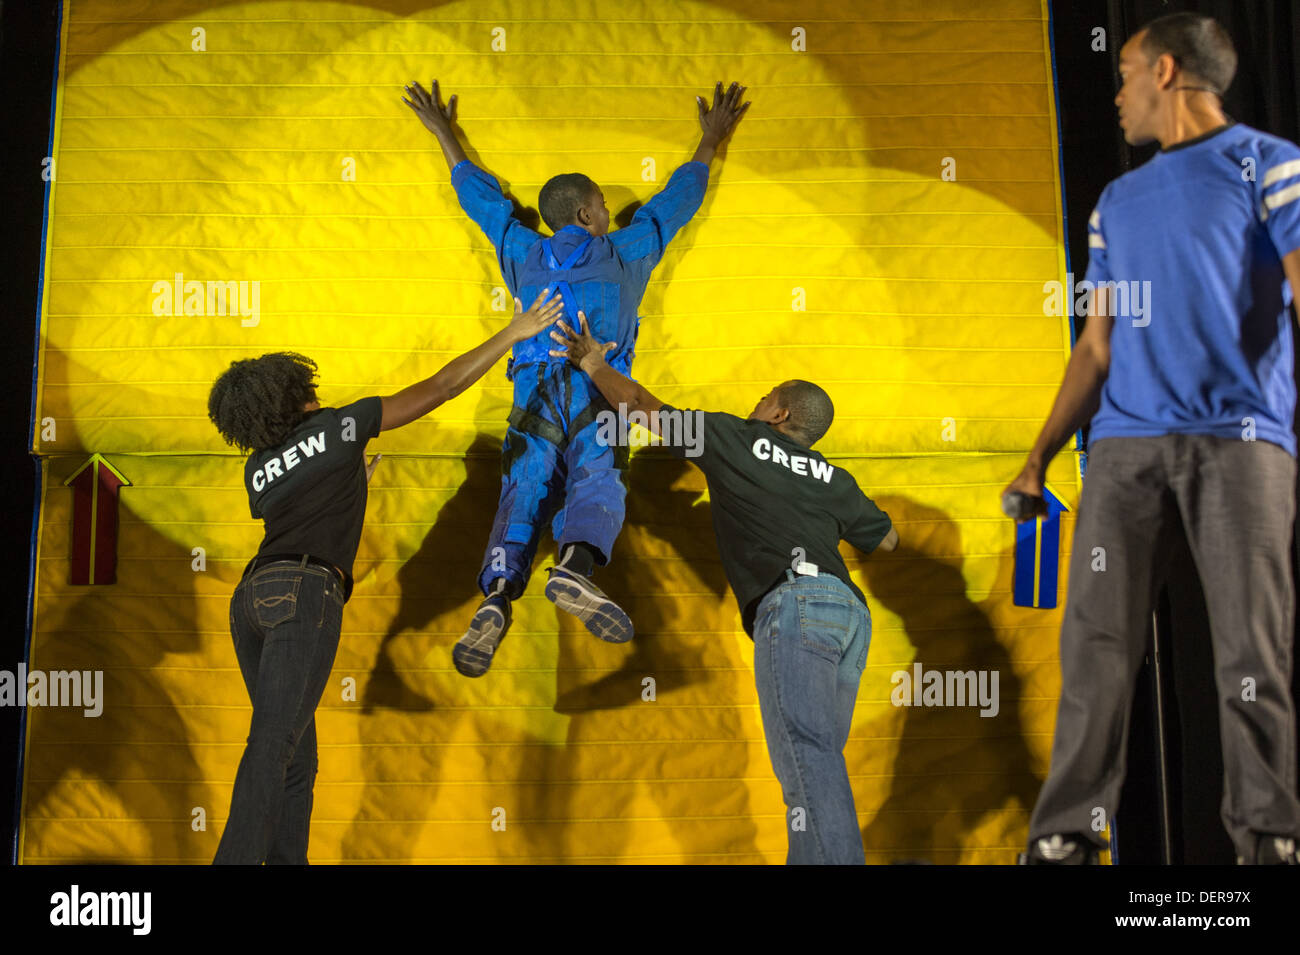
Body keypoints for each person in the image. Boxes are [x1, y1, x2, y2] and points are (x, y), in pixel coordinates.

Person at [1004, 12, 1300, 865]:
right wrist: (1038, 455)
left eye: (1126, 72)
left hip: (1239, 443)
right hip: (1126, 452)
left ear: (1166, 71)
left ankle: (1269, 837)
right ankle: (1067, 834)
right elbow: (1095, 344)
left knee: (1251, 644)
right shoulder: (1118, 201)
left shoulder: (1269, 168)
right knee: (1096, 644)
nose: (1118, 91)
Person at [401, 78, 750, 677]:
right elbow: (676, 205)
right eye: (604, 208)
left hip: (533, 389)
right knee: (598, 481)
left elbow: (476, 198)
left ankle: (497, 595)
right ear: (589, 215)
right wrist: (709, 141)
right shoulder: (623, 252)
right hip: (599, 385)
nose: (611, 214)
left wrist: (444, 133)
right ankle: (574, 569)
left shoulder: (520, 250)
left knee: (524, 488)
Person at [207, 289, 565, 864]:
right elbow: (440, 388)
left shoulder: (258, 472)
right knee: (275, 745)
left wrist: (352, 484)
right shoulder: (341, 427)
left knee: (294, 755)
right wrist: (511, 335)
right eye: (306, 387)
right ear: (294, 394)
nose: (315, 390)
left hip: (250, 599)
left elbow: (302, 507)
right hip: (305, 593)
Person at [549, 312, 899, 864]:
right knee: (818, 760)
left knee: (807, 758)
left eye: (764, 399)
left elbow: (641, 407)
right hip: (850, 617)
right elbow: (887, 541)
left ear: (779, 413)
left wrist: (592, 360)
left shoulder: (737, 438)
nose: (755, 405)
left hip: (796, 608)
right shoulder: (837, 478)